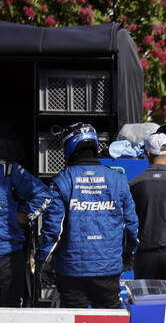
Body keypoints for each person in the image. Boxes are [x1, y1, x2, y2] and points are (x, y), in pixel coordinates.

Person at [49, 123, 138, 308]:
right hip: (108, 270)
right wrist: (129, 255)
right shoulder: (118, 179)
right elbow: (132, 225)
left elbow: (53, 230)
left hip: (71, 270)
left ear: (70, 146)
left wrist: (43, 260)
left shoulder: (62, 180)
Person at [0, 143, 58, 306]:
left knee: (9, 313)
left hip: (7, 256)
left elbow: (45, 195)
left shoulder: (9, 171)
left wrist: (24, 215)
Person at [129, 133, 166, 279]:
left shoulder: (135, 184)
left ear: (147, 154)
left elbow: (128, 223)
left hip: (145, 256)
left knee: (145, 301)